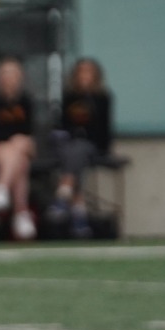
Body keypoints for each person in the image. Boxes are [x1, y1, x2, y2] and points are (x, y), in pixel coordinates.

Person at [52, 57, 113, 238]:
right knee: (73, 153)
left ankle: (65, 193)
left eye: (88, 72)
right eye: (81, 72)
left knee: (78, 150)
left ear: (95, 76)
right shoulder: (69, 97)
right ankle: (79, 218)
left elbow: (103, 130)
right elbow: (63, 125)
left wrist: (84, 134)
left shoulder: (103, 98)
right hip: (70, 145)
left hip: (91, 146)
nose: (84, 76)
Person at [0, 56, 36, 241]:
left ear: (20, 76)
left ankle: (1, 188)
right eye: (5, 72)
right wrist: (13, 143)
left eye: (13, 72)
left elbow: (29, 131)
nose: (9, 77)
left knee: (19, 147)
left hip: (21, 146)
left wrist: (18, 141)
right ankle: (21, 213)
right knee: (17, 157)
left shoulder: (26, 101)